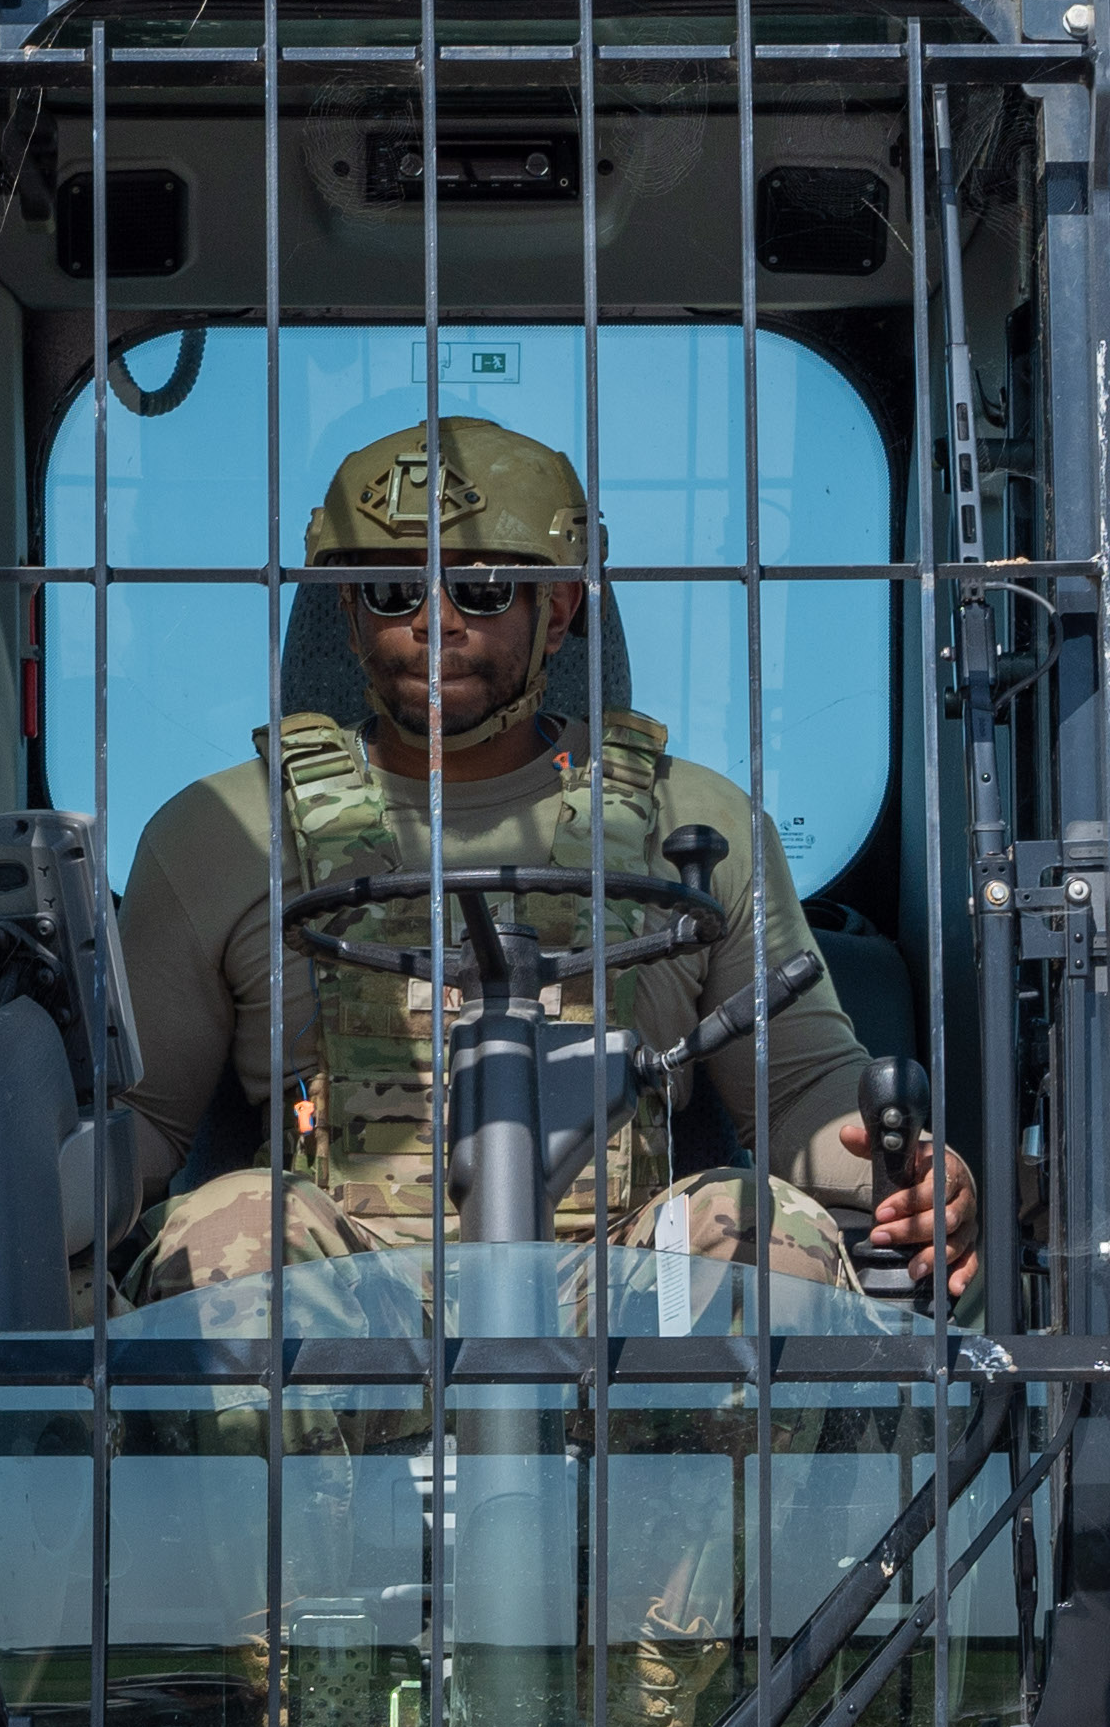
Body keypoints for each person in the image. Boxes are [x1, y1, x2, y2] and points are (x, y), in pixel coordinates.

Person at [113, 413, 975, 1307]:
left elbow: (798, 1085)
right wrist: (40, 1188)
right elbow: (138, 1117)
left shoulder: (696, 823)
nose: (433, 622)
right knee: (230, 1231)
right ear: (346, 607)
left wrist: (908, 1171)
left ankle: (676, 1457)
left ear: (557, 610)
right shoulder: (221, 831)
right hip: (334, 1288)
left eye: (482, 591)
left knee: (759, 1227)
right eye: (389, 590)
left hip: (620, 1287)